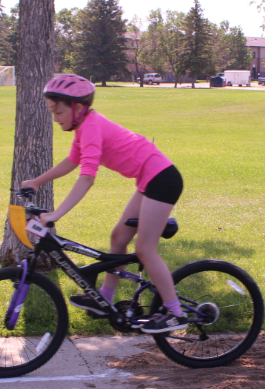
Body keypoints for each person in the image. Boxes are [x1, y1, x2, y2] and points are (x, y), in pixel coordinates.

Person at [20, 74, 187, 334]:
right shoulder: (84, 128)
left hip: (162, 179)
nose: (55, 118)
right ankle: (104, 299)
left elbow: (86, 177)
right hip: (148, 178)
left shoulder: (91, 127)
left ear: (77, 107)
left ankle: (175, 312)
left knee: (144, 248)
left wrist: (56, 214)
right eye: (52, 111)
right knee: (118, 238)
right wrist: (37, 181)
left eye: (59, 111)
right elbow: (71, 161)